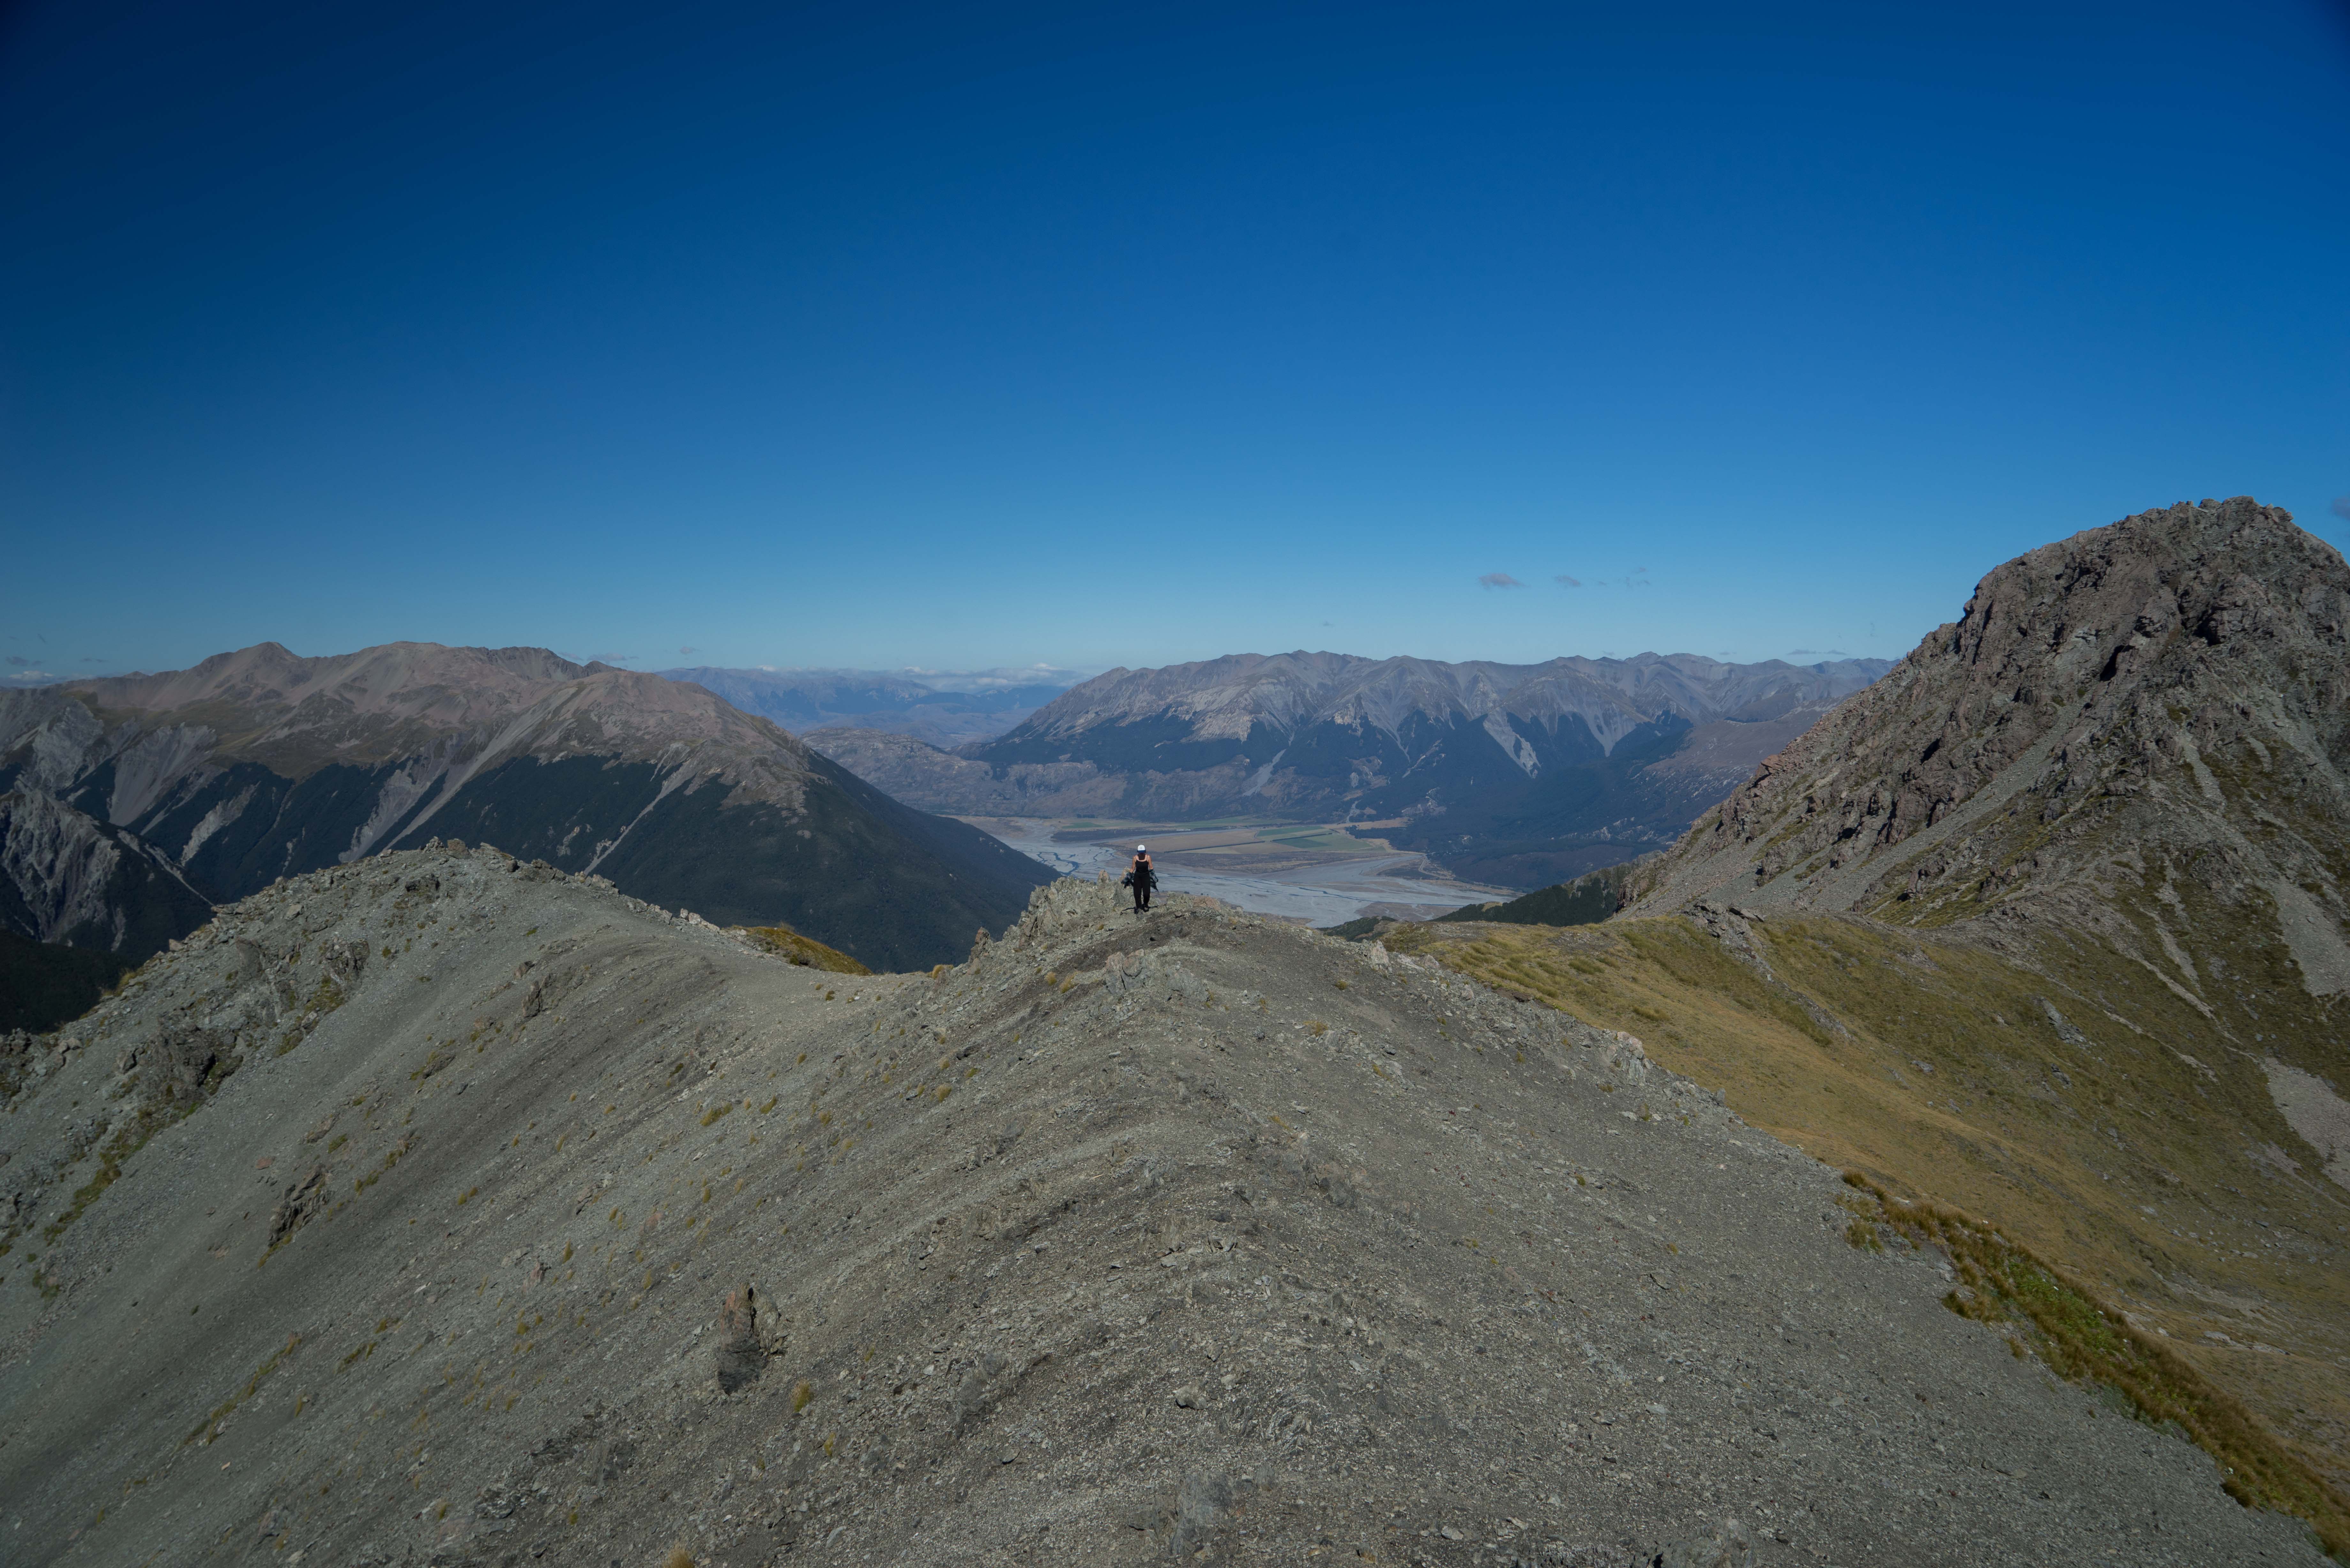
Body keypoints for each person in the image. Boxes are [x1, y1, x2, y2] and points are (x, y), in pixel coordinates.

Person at [1126, 844, 1156, 913]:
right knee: (1137, 893)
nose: (1142, 854)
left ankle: (1146, 904)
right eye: (1141, 852)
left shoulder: (1148, 857)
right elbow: (1133, 868)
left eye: (1143, 852)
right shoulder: (1135, 858)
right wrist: (1128, 876)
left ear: (1145, 852)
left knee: (1147, 893)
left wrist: (1153, 875)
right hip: (1138, 877)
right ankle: (1139, 907)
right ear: (1138, 852)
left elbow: (1151, 867)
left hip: (1146, 876)